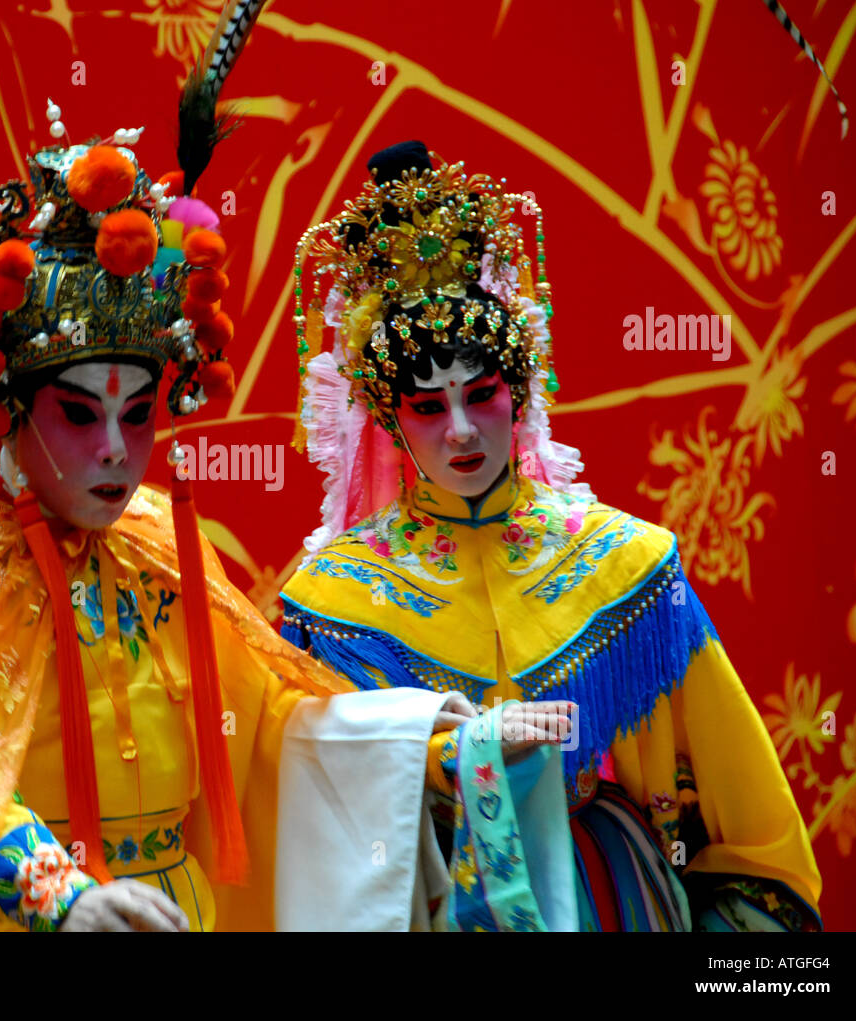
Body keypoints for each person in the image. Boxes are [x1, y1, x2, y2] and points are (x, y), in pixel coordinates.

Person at [279, 140, 822, 931]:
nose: (461, 430)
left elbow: (748, 813)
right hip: (427, 896)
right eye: (428, 407)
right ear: (389, 421)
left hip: (608, 890)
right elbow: (310, 805)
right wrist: (436, 756)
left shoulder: (630, 566)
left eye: (483, 393)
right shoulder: (332, 599)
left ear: (522, 387)